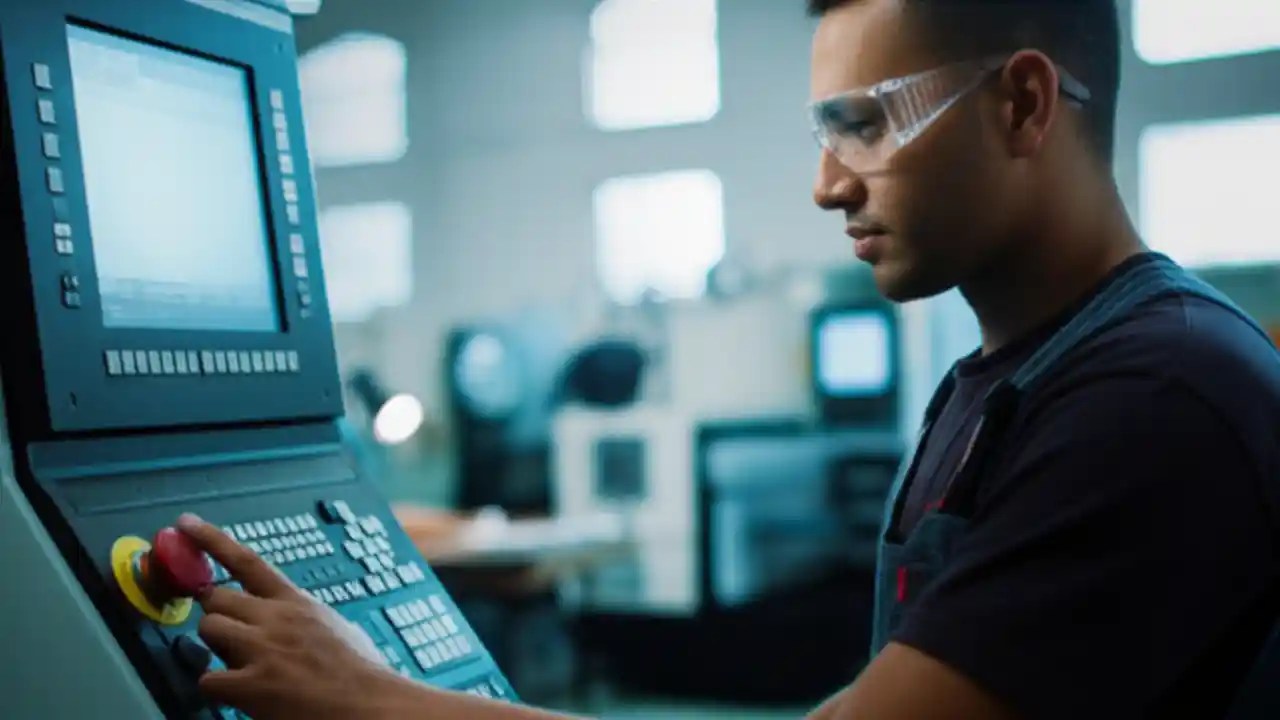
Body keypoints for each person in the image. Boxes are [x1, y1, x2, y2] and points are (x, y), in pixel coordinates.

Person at [177, 0, 1280, 717]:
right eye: (820, 134)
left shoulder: (1155, 396)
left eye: (864, 125)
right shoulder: (1009, 379)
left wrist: (373, 699)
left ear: (1024, 104)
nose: (826, 184)